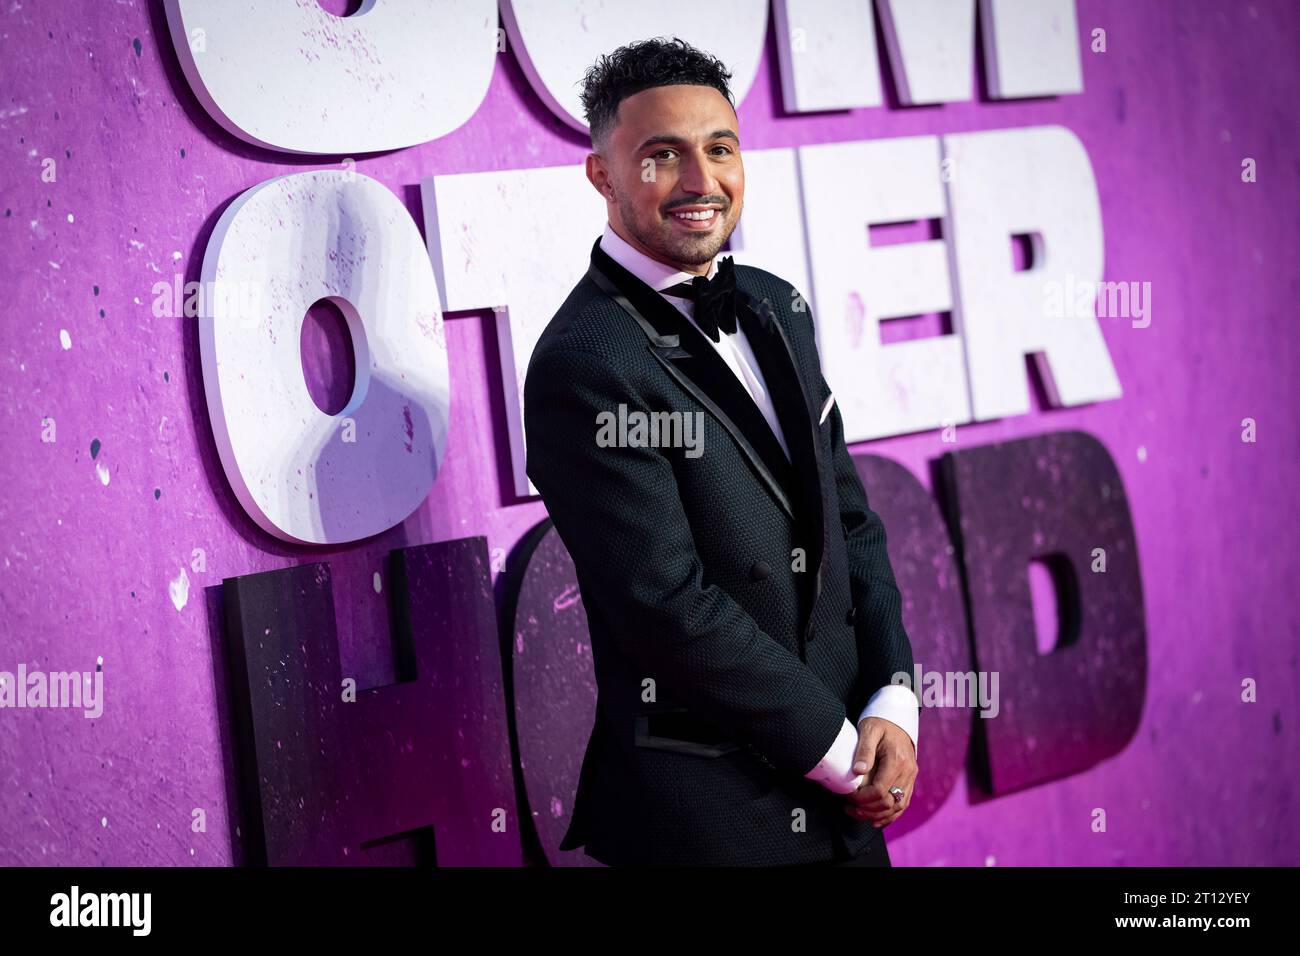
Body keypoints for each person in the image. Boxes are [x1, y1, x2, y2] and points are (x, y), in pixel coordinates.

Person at [523, 36, 919, 867]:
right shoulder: (583, 363)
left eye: (720, 148)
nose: (702, 183)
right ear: (602, 176)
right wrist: (843, 754)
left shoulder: (778, 305)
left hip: (852, 793)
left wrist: (894, 697)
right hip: (710, 816)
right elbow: (666, 605)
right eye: (662, 156)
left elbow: (850, 520)